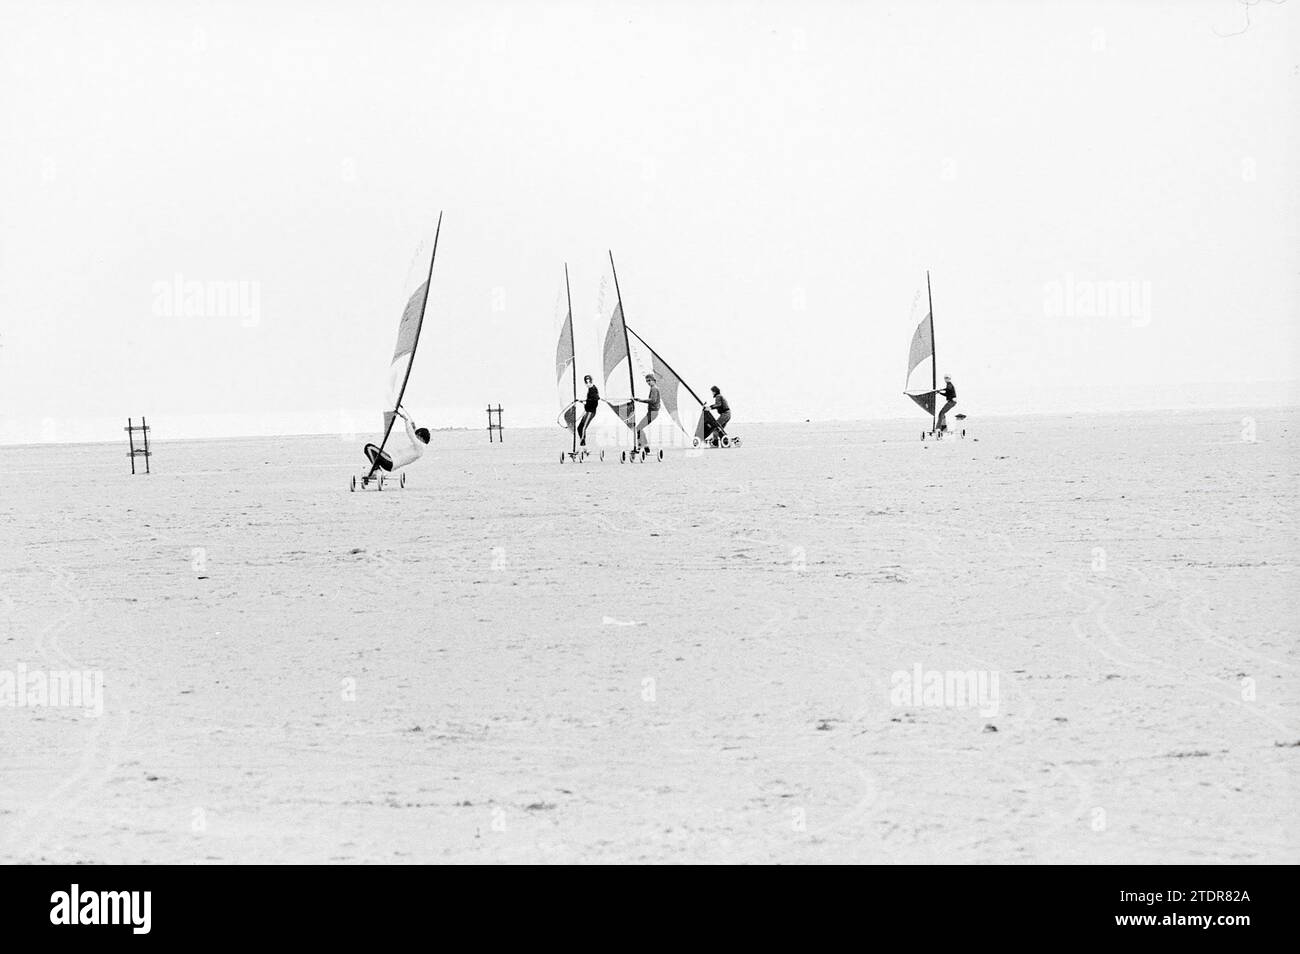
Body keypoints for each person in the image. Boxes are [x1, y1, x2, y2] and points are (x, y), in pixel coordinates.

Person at [364, 405, 430, 472]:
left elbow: (411, 435)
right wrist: (413, 427)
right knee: (374, 454)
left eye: (418, 436)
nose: (416, 437)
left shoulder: (420, 446)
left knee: (368, 447)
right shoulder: (420, 448)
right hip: (391, 463)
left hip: (391, 461)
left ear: (422, 437)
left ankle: (377, 471)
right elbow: (413, 433)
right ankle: (377, 471)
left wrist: (406, 420)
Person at [631, 373, 660, 452]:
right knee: (639, 428)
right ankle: (646, 446)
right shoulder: (654, 388)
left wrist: (640, 400)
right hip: (652, 412)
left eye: (649, 380)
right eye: (647, 381)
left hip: (653, 413)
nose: (648, 382)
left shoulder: (654, 388)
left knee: (638, 428)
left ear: (654, 380)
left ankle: (641, 446)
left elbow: (653, 400)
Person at [576, 375, 599, 447]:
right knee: (579, 428)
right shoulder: (590, 389)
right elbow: (590, 400)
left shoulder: (593, 389)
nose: (587, 384)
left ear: (591, 381)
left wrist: (585, 403)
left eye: (589, 382)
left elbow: (594, 402)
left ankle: (582, 446)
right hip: (587, 411)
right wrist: (582, 401)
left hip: (591, 412)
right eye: (586, 382)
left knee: (583, 428)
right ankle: (583, 445)